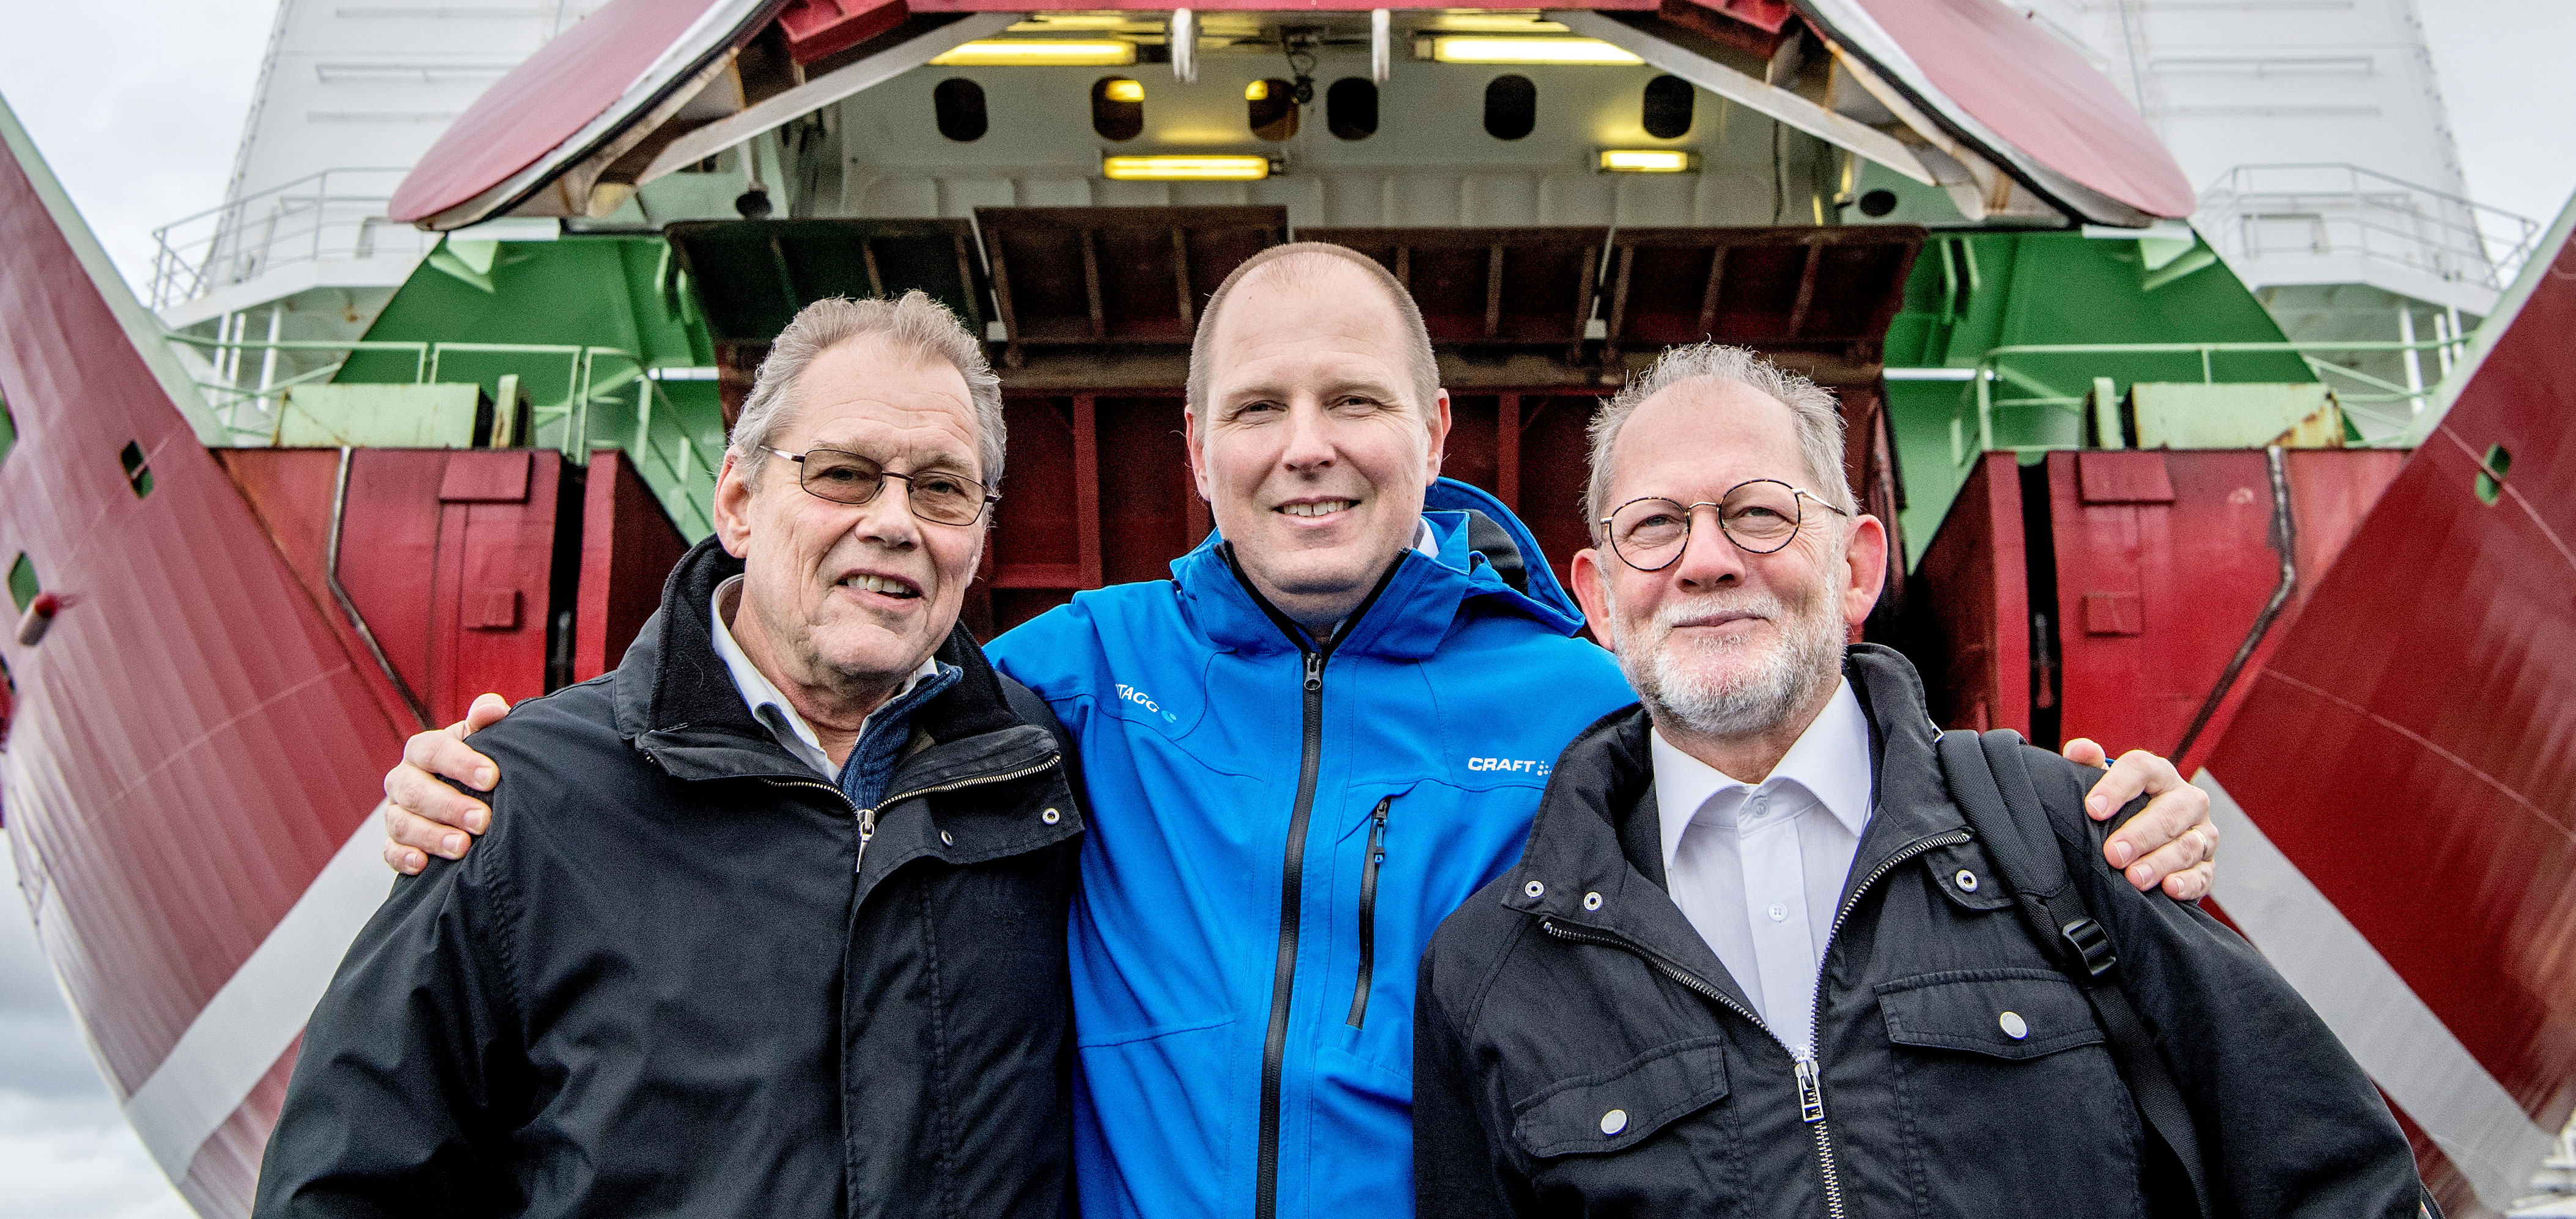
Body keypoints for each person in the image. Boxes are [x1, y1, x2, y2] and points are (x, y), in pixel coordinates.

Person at [378, 248, 2219, 1218]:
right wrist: (514, 770)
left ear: (1432, 425)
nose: (1306, 444)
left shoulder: (1575, 692)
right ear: (1195, 453)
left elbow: (1802, 768)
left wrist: (2083, 815)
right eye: (1257, 406)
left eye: (1352, 400)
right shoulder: (1073, 669)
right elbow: (811, 721)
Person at [1411, 344, 2419, 1218]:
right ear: (1597, 597)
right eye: (1654, 525)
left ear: (1857, 569)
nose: (1707, 559)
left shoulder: (2073, 837)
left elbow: (2331, 1176)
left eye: (1759, 512)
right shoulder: (1490, 975)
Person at [257, 294, 1085, 1217]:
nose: (895, 521)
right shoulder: (517, 798)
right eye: (845, 473)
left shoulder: (1044, 778)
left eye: (941, 486)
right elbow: (346, 1185)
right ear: (737, 501)